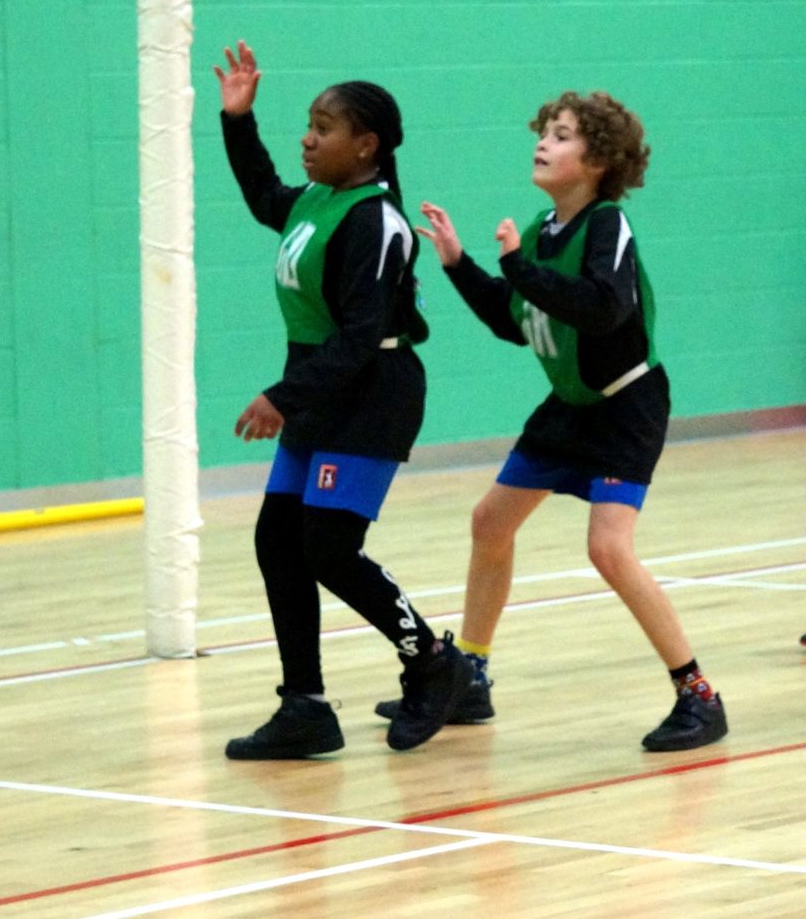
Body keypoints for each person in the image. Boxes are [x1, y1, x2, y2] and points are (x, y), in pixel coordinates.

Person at [375, 90, 727, 753]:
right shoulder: (542, 230)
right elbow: (517, 322)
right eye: (546, 132)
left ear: (596, 161)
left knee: (608, 549)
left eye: (562, 136)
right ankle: (470, 676)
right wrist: (460, 264)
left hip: (625, 405)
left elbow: (601, 308)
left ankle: (699, 695)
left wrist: (516, 268)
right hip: (569, 406)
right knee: (490, 522)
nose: (544, 142)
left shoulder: (606, 227)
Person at [214, 41, 471, 761]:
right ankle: (305, 707)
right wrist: (240, 121)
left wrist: (281, 396)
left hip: (370, 395)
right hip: (321, 388)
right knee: (279, 541)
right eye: (307, 123)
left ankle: (433, 663)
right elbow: (266, 196)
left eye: (323, 127)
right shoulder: (320, 201)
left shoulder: (375, 221)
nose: (308, 137)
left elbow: (362, 336)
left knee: (328, 546)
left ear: (367, 147)